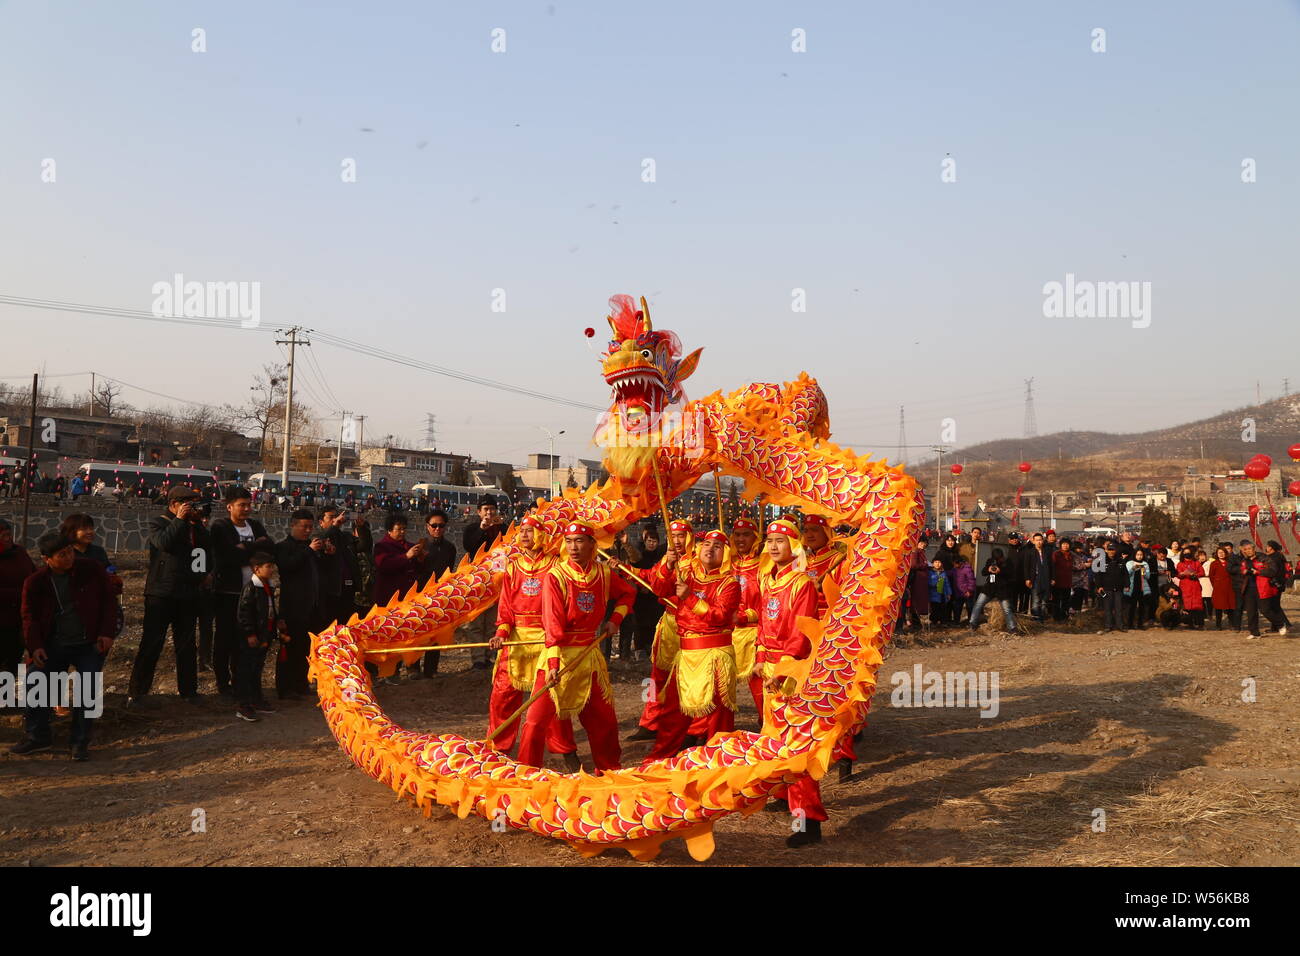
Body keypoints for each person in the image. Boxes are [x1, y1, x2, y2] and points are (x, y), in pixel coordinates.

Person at [516, 521, 634, 772]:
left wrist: (615, 620)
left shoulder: (603, 573)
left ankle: (609, 770)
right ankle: (525, 774)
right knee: (536, 720)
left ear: (593, 544)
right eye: (569, 542)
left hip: (590, 655)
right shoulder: (556, 576)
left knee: (605, 721)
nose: (573, 547)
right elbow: (553, 624)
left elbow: (628, 593)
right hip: (558, 654)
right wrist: (553, 664)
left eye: (580, 541)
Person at [750, 519, 825, 849]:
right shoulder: (770, 580)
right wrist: (758, 655)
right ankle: (783, 793)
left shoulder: (802, 583)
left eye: (780, 540)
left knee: (797, 747)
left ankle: (807, 822)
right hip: (771, 671)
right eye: (769, 541)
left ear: (793, 545)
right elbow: (764, 627)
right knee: (777, 740)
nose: (773, 546)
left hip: (792, 674)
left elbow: (802, 633)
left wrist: (783, 667)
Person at [11, 532, 117, 760]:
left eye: (70, 552)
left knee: (87, 689)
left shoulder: (91, 569)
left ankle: (80, 742)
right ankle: (37, 736)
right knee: (34, 680)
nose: (69, 558)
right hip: (53, 644)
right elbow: (29, 617)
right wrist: (35, 646)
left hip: (88, 643)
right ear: (47, 559)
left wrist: (107, 633)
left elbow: (109, 602)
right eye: (62, 555)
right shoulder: (36, 582)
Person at [639, 529, 739, 761]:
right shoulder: (686, 575)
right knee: (673, 712)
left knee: (718, 715)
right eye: (706, 544)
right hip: (685, 653)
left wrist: (690, 598)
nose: (710, 549)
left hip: (715, 654)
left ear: (725, 554)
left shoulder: (729, 583)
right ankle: (660, 757)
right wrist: (667, 565)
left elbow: (720, 616)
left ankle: (719, 761)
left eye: (717, 546)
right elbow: (659, 590)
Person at [485, 514, 577, 767]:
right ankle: (498, 749)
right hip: (517, 639)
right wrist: (501, 633)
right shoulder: (513, 567)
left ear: (541, 535)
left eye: (531, 530)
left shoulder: (556, 566)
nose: (525, 535)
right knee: (502, 695)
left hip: (548, 638)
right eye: (522, 531)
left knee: (550, 697)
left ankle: (565, 749)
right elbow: (506, 607)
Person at [127, 485, 211, 706]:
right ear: (175, 504)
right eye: (191, 504)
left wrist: (202, 575)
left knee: (186, 644)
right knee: (152, 643)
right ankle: (137, 692)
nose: (196, 508)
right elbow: (164, 543)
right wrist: (180, 520)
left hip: (188, 594)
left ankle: (189, 691)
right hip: (161, 593)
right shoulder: (160, 523)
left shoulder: (196, 529)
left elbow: (202, 554)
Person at [629, 518, 697, 741]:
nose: (677, 541)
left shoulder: (700, 561)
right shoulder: (665, 560)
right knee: (658, 675)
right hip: (669, 624)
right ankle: (650, 722)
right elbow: (657, 588)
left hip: (694, 626)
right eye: (673, 536)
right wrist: (667, 565)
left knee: (692, 678)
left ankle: (692, 726)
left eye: (681, 536)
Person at [208, 487, 273, 699]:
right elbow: (226, 557)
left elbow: (267, 551)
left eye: (248, 504)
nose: (246, 509)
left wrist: (245, 548)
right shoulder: (220, 526)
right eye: (241, 505)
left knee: (245, 640)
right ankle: (222, 682)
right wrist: (253, 549)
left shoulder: (254, 525)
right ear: (229, 506)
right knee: (225, 639)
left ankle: (241, 682)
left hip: (253, 594)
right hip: (229, 592)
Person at [276, 509, 323, 699]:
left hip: (312, 606)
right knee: (289, 647)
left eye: (310, 527)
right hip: (292, 606)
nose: (307, 530)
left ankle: (301, 684)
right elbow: (287, 566)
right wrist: (309, 550)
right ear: (293, 525)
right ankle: (285, 688)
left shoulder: (310, 548)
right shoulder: (283, 547)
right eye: (304, 526)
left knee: (306, 648)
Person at [234, 551, 286, 722]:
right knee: (246, 670)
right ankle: (243, 705)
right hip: (253, 636)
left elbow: (270, 609)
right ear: (256, 569)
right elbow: (244, 613)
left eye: (272, 566)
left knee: (256, 669)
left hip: (265, 635)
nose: (271, 570)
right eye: (268, 567)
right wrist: (249, 633)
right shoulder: (250, 588)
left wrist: (277, 621)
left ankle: (256, 700)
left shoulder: (267, 587)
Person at [407, 509, 457, 677]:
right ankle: (413, 668)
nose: (437, 529)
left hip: (440, 595)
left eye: (441, 526)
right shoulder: (419, 546)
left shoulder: (450, 548)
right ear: (427, 526)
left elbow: (449, 570)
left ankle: (431, 669)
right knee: (417, 632)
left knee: (435, 633)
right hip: (420, 595)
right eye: (434, 525)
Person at [462, 495, 505, 670]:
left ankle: (490, 656)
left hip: (497, 581)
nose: (489, 512)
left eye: (492, 509)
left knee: (493, 622)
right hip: (477, 582)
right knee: (476, 623)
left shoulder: (503, 528)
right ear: (479, 512)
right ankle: (478, 658)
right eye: (486, 509)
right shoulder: (472, 528)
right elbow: (468, 546)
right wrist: (482, 528)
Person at [729, 517, 763, 710]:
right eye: (737, 534)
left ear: (755, 537)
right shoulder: (727, 564)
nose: (741, 539)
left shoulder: (764, 566)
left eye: (746, 535)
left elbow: (769, 602)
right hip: (728, 633)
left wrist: (745, 616)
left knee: (758, 684)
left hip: (754, 633)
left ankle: (766, 722)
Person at [0, 519, 36, 677]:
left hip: (18, 620)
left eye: (8, 535)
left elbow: (33, 576)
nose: (7, 539)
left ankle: (5, 699)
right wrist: (22, 593)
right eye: (2, 536)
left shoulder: (19, 553)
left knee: (11, 662)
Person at [630, 525, 665, 663]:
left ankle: (650, 647)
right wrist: (640, 587)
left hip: (655, 596)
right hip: (641, 596)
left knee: (654, 622)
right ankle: (639, 649)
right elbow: (635, 572)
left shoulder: (661, 556)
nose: (652, 543)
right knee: (640, 623)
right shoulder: (640, 555)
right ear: (645, 542)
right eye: (649, 541)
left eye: (654, 541)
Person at [968, 548, 1017, 633]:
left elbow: (1011, 574)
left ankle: (1012, 628)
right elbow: (983, 572)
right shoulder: (990, 561)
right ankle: (972, 623)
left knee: (1006, 608)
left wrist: (1000, 571)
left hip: (1002, 588)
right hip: (990, 587)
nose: (998, 560)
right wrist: (988, 569)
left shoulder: (1008, 562)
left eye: (999, 558)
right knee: (978, 604)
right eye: (996, 559)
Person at [1093, 540, 1127, 633]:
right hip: (1106, 589)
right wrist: (1099, 586)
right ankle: (1108, 626)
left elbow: (1125, 574)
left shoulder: (1120, 561)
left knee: (1119, 608)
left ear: (1116, 550)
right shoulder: (1102, 561)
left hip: (1118, 589)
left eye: (1113, 549)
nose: (1112, 551)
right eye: (1110, 549)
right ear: (1106, 550)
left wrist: (1127, 585)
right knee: (1107, 608)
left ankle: (1120, 626)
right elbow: (1098, 575)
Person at [1207, 545, 1238, 630]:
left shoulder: (1230, 562)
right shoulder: (1214, 563)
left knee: (1230, 606)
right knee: (1218, 607)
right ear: (1217, 554)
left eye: (1222, 552)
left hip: (1230, 587)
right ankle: (1218, 624)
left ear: (1226, 553)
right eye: (1219, 553)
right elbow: (1211, 576)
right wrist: (1216, 584)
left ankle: (1232, 624)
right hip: (1218, 587)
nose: (1221, 554)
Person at [1175, 549, 1206, 629]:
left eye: (1188, 552)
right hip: (1185, 586)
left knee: (1198, 605)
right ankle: (1190, 623)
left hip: (1195, 586)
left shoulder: (1196, 563)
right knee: (1187, 605)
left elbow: (1202, 572)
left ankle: (1200, 624)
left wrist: (1195, 574)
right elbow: (1178, 574)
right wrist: (1182, 574)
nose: (1187, 554)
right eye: (1185, 553)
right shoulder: (1180, 564)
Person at [1124, 547, 1154, 629]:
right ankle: (1130, 624)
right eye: (1138, 554)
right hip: (1132, 588)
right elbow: (1126, 575)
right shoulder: (1129, 563)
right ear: (1134, 555)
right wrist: (1133, 568)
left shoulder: (1145, 564)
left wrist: (1143, 571)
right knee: (1131, 607)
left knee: (1142, 607)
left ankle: (1140, 624)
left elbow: (1148, 577)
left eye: (1141, 555)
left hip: (1142, 588)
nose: (1139, 556)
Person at [1049, 540, 1073, 622]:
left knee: (1066, 600)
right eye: (1063, 544)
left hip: (1067, 581)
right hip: (1057, 581)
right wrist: (1052, 578)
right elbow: (1052, 566)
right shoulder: (1056, 554)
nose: (1065, 546)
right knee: (1056, 600)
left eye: (1067, 544)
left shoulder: (1071, 554)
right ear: (1060, 545)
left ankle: (1064, 617)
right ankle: (1056, 617)